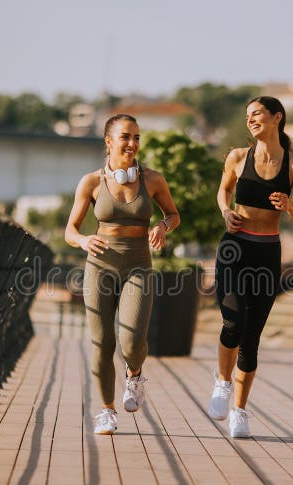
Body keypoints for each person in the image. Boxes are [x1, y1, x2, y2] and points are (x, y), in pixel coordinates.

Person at [65, 114, 180, 435]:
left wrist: (162, 225)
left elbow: (173, 214)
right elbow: (69, 231)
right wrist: (84, 239)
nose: (132, 144)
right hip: (100, 267)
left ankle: (135, 375)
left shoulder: (153, 179)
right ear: (109, 141)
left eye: (137, 138)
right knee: (102, 342)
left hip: (139, 266)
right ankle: (106, 410)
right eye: (125, 137)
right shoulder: (91, 182)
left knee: (132, 342)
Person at [207, 96, 293, 438]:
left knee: (251, 340)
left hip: (267, 252)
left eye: (257, 114)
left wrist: (290, 206)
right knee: (232, 321)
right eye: (247, 115)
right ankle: (222, 382)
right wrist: (225, 212)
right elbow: (223, 193)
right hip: (234, 248)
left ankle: (239, 411)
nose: (251, 120)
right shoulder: (238, 157)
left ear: (277, 117)